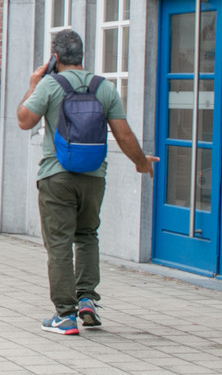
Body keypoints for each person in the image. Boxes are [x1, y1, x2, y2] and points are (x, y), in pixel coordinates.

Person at [16, 28, 158, 336]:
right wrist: (141, 162)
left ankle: (65, 315)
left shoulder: (50, 85)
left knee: (59, 243)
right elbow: (123, 133)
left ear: (55, 58)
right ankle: (87, 300)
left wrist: (33, 84)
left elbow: (24, 120)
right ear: (83, 55)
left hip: (56, 175)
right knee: (87, 235)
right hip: (93, 177)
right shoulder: (104, 87)